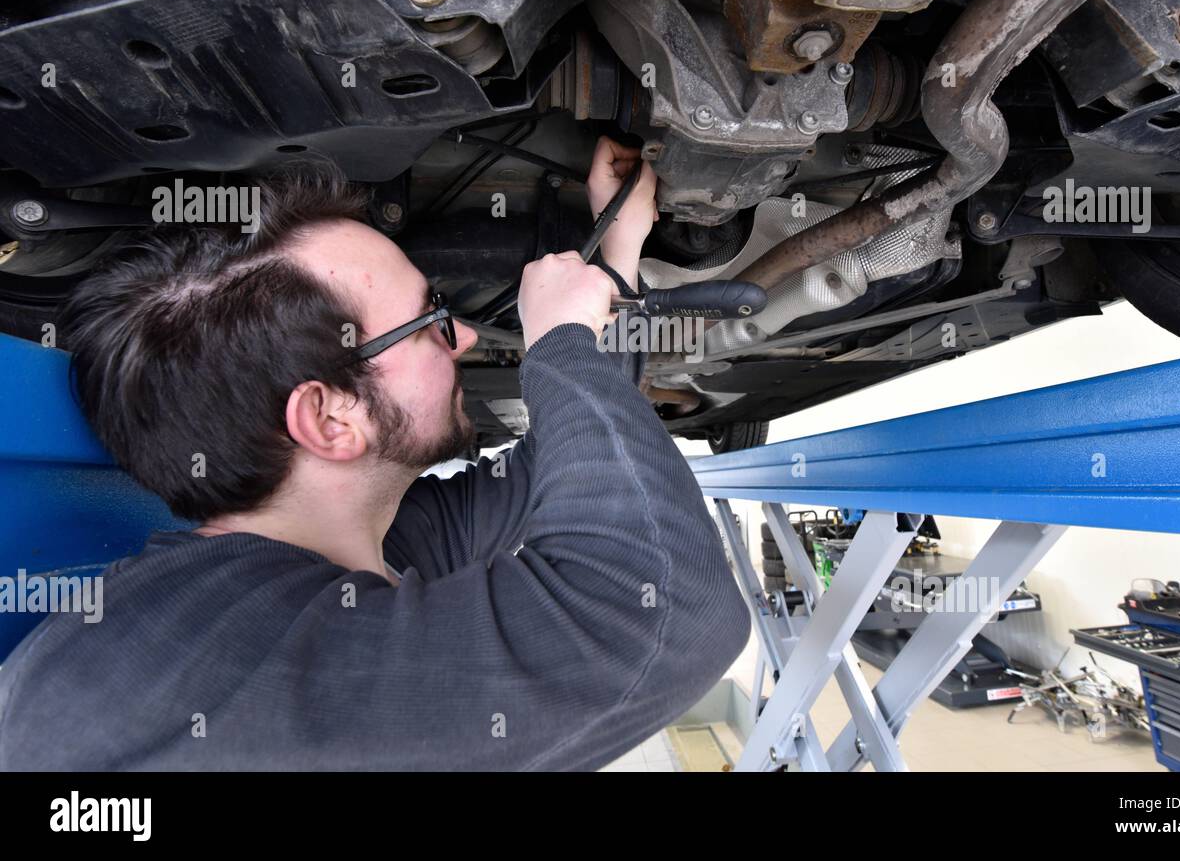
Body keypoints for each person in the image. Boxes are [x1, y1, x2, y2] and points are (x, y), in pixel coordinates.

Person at [0, 137, 751, 770]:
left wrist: (615, 255)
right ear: (328, 419)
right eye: (428, 321)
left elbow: (540, 479)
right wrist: (555, 343)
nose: (460, 337)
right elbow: (669, 608)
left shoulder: (316, 555)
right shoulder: (219, 682)